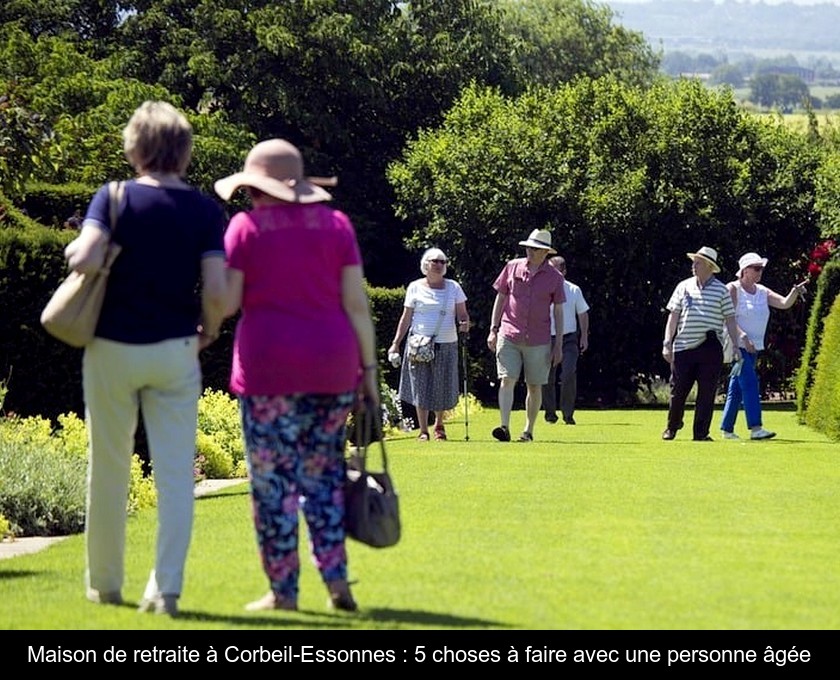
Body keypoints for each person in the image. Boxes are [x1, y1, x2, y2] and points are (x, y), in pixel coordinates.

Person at [64, 101, 227, 616]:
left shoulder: (112, 199)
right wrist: (210, 329)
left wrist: (75, 250)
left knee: (108, 468)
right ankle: (167, 590)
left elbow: (86, 257)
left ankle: (107, 585)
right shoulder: (204, 210)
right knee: (177, 474)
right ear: (184, 150)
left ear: (134, 147)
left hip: (111, 347)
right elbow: (219, 291)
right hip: (176, 348)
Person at [215, 138, 378, 613]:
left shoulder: (244, 229)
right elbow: (356, 305)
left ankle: (283, 591)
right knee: (324, 479)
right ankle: (337, 581)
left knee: (273, 485)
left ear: (259, 189)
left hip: (268, 370)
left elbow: (226, 304)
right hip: (332, 367)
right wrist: (368, 371)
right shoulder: (337, 226)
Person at [720, 252, 807, 440]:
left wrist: (795, 292)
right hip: (738, 346)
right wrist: (743, 337)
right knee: (750, 383)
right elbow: (729, 318)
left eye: (761, 268)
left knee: (736, 387)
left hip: (754, 347)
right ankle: (756, 427)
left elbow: (784, 303)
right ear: (744, 270)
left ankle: (727, 429)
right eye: (756, 268)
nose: (760, 272)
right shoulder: (733, 289)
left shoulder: (762, 291)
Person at [488, 229, 565, 442]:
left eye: (535, 248)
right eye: (528, 247)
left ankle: (528, 430)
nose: (530, 251)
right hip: (509, 332)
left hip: (539, 339)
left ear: (545, 252)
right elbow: (501, 298)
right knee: (507, 379)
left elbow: (558, 311)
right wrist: (493, 329)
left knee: (534, 385)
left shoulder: (555, 277)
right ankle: (504, 426)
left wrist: (558, 344)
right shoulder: (512, 267)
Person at [387, 248, 470, 441]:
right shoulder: (415, 287)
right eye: (436, 261)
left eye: (443, 262)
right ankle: (423, 430)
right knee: (420, 385)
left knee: (441, 386)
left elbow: (462, 313)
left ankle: (439, 425)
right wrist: (396, 343)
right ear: (426, 264)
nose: (440, 265)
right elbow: (406, 317)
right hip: (419, 344)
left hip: (446, 343)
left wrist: (464, 323)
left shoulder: (454, 287)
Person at [661, 246, 740, 442]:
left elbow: (730, 319)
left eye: (697, 263)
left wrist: (736, 346)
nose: (693, 266)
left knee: (707, 393)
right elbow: (673, 316)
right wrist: (667, 342)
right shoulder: (683, 286)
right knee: (677, 391)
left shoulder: (721, 290)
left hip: (710, 346)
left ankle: (701, 433)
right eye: (693, 262)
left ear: (709, 266)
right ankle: (672, 426)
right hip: (683, 347)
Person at [543, 255, 590, 425]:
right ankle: (550, 413)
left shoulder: (573, 290)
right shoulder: (544, 289)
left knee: (569, 373)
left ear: (564, 272)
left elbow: (583, 313)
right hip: (547, 337)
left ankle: (568, 414)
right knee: (547, 376)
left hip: (569, 338)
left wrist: (584, 335)